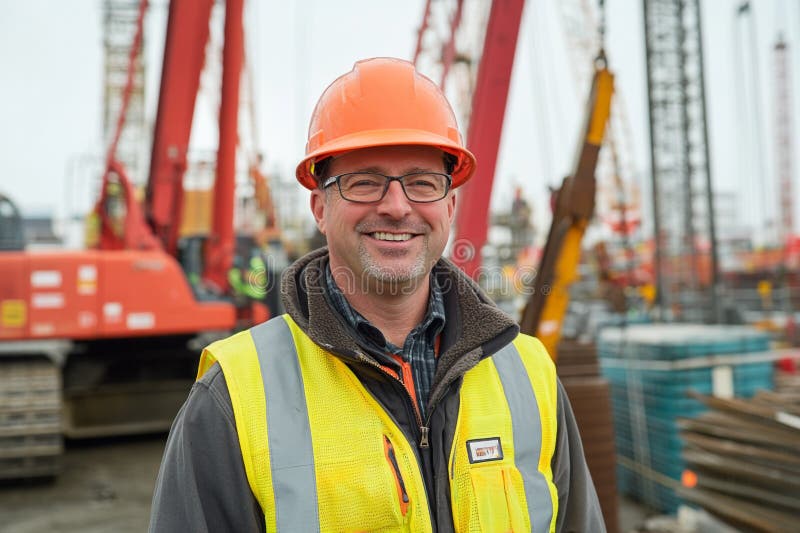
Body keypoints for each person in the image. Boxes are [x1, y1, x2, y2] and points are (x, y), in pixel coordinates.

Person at [150, 57, 604, 532]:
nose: (396, 205)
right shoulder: (234, 395)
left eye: (422, 183)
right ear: (320, 207)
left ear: (449, 206)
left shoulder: (529, 375)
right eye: (363, 182)